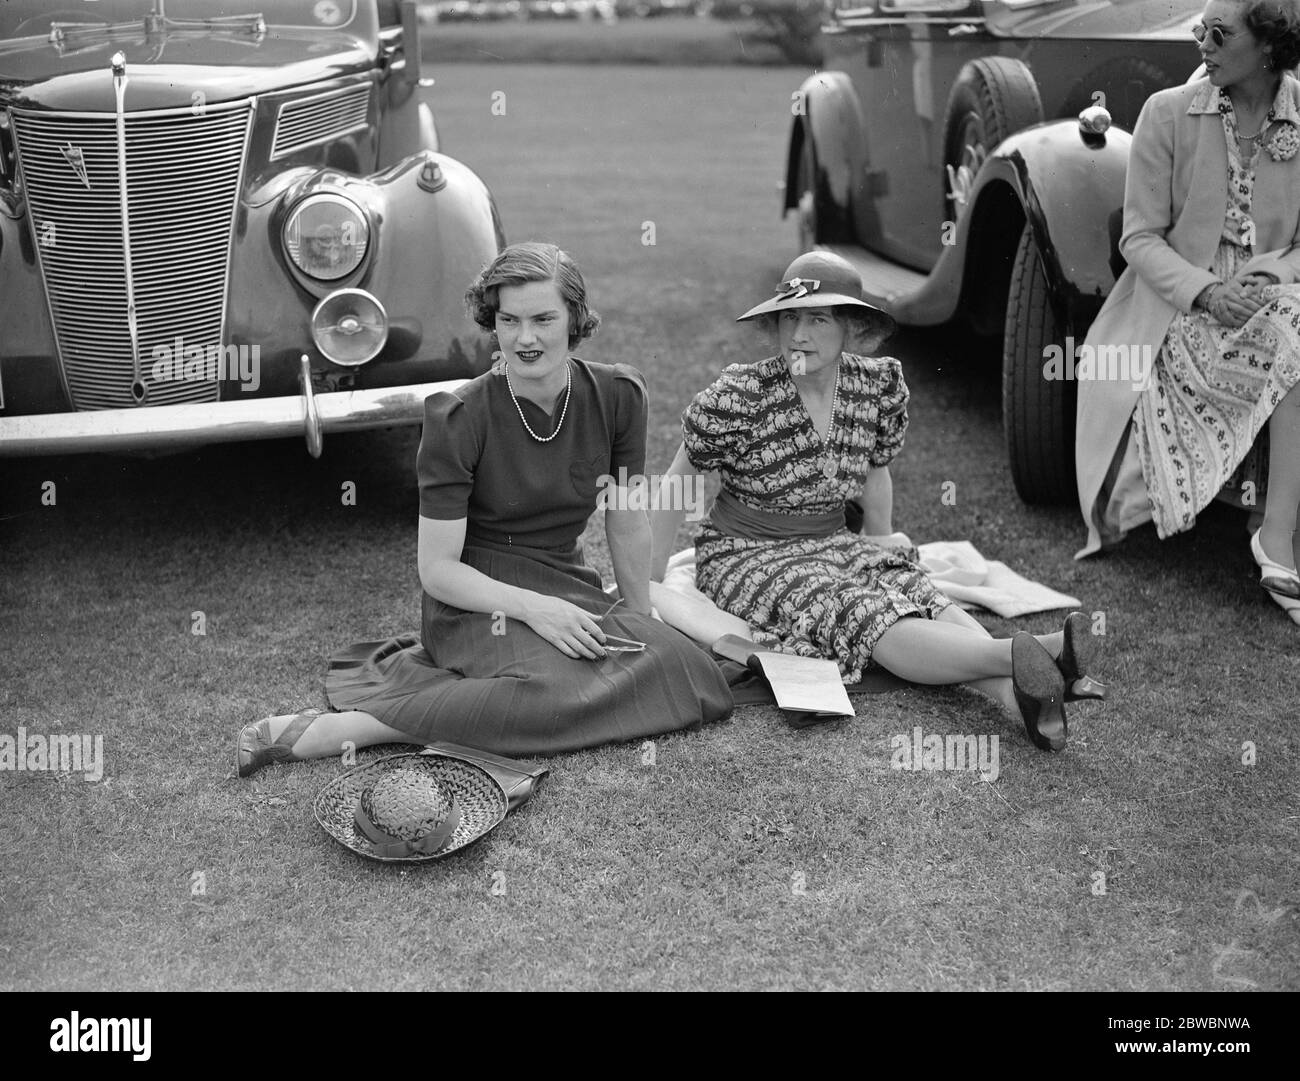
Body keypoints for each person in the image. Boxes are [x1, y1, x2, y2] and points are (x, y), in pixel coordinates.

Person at [237, 242, 732, 775]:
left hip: (563, 579)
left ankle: (469, 706)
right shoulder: (458, 417)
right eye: (509, 320)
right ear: (492, 323)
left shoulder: (618, 395)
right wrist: (533, 610)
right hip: (474, 599)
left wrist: (636, 619)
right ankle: (363, 728)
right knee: (550, 686)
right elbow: (438, 571)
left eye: (544, 318)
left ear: (574, 319)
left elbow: (626, 515)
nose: (525, 338)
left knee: (687, 671)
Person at [650, 251, 1107, 752]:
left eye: (817, 318)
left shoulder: (874, 385)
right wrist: (648, 585)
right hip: (750, 553)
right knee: (860, 610)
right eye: (789, 317)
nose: (798, 334)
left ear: (852, 327)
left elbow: (874, 471)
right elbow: (677, 482)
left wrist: (882, 550)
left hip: (834, 539)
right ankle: (1041, 654)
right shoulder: (740, 395)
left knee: (917, 592)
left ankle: (1017, 692)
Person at [1075, 0, 1300, 627]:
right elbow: (1140, 238)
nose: (1201, 41)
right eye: (1200, 27)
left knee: (1294, 324)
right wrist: (1209, 292)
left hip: (1277, 297)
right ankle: (1277, 538)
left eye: (1220, 33)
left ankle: (1274, 525)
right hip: (1178, 309)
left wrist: (1270, 276)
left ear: (1269, 47)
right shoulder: (1168, 111)